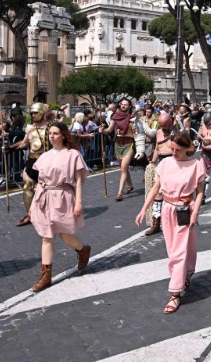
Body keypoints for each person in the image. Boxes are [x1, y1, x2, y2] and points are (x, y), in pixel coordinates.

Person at [135, 131, 206, 314]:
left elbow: (199, 192)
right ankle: (187, 273)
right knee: (174, 249)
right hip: (167, 209)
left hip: (184, 210)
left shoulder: (196, 165)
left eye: (178, 150)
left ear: (187, 148)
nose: (174, 153)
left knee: (178, 252)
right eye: (172, 149)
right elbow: (156, 188)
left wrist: (195, 212)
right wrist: (144, 209)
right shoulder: (165, 163)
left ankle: (175, 293)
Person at [28, 122, 91, 292]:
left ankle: (83, 250)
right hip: (44, 197)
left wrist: (78, 202)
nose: (52, 136)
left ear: (63, 135)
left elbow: (78, 181)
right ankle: (45, 276)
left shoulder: (73, 155)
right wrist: (34, 201)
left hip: (63, 197)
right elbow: (36, 179)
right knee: (46, 236)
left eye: (56, 133)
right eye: (50, 133)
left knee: (66, 236)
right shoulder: (45, 156)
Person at [8, 103, 51, 227]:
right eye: (31, 113)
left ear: (42, 113)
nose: (33, 115)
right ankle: (30, 215)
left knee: (43, 190)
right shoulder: (30, 128)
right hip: (31, 161)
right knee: (27, 186)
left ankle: (47, 213)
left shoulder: (51, 128)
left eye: (35, 113)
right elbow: (24, 143)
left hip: (46, 162)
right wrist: (10, 148)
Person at [144, 112, 175, 236]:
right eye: (161, 125)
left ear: (170, 123)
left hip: (174, 164)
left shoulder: (177, 134)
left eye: (165, 125)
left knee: (173, 194)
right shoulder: (158, 133)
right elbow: (157, 148)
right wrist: (152, 162)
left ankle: (173, 221)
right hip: (161, 164)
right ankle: (156, 224)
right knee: (157, 194)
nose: (163, 128)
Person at [103, 98, 135, 201]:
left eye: (126, 104)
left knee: (124, 167)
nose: (123, 106)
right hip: (118, 144)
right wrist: (102, 130)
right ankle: (130, 186)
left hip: (129, 143)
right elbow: (109, 130)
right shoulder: (115, 117)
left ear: (129, 106)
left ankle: (119, 193)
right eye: (122, 104)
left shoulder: (133, 117)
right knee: (123, 168)